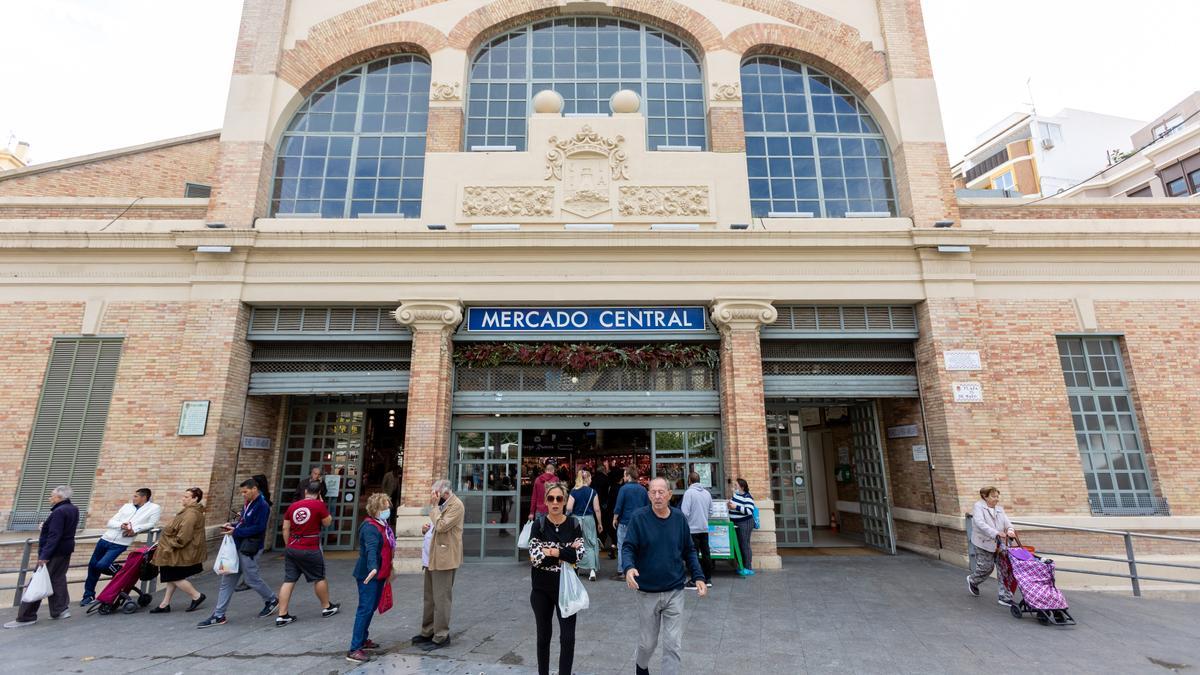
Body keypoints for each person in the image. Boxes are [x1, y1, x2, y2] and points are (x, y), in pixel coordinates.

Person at [621, 478, 707, 675]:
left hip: (674, 590)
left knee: (673, 644)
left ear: (669, 494)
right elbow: (628, 547)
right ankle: (641, 668)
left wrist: (699, 576)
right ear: (648, 495)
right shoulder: (639, 518)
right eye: (653, 492)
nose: (657, 496)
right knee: (647, 643)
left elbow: (689, 550)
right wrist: (629, 568)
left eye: (661, 492)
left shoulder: (679, 519)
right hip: (646, 591)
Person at [197, 478, 278, 628]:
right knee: (227, 579)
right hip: (239, 545)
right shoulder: (249, 503)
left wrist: (236, 531)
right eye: (242, 492)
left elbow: (259, 528)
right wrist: (233, 525)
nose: (243, 494)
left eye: (245, 491)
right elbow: (245, 522)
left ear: (254, 489)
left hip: (250, 548)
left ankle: (272, 599)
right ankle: (219, 614)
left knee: (251, 578)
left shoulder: (262, 505)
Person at [528, 482, 585, 675]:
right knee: (543, 637)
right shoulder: (539, 525)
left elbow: (579, 555)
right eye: (551, 498)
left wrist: (552, 551)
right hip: (541, 590)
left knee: (568, 638)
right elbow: (536, 557)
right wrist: (565, 552)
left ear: (565, 501)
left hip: (567, 590)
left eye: (559, 498)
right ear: (545, 501)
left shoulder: (574, 524)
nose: (555, 502)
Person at [5, 486, 80, 628]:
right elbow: (63, 529)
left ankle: (26, 616)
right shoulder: (73, 509)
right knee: (57, 578)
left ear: (59, 497)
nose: (49, 498)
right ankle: (60, 610)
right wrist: (46, 526)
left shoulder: (59, 511)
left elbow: (54, 535)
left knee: (37, 581)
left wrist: (45, 555)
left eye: (52, 495)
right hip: (65, 549)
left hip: (54, 552)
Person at [80, 487, 162, 606]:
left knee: (102, 565)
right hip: (105, 539)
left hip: (120, 543)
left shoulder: (154, 508)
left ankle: (120, 571)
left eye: (136, 496)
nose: (133, 498)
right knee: (93, 566)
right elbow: (110, 522)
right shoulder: (127, 506)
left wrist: (135, 530)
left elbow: (151, 524)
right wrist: (121, 525)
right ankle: (88, 596)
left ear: (144, 497)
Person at [276, 481, 339, 626]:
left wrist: (288, 545)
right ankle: (326, 606)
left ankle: (282, 614)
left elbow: (285, 528)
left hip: (293, 546)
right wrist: (322, 504)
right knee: (319, 577)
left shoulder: (293, 506)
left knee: (289, 580)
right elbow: (327, 522)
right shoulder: (318, 505)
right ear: (319, 493)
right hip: (310, 547)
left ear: (305, 492)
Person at [414, 479, 463, 650]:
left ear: (445, 493)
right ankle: (427, 631)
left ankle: (441, 635)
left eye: (435, 493)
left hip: (444, 558)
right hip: (431, 557)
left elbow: (442, 526)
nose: (433, 496)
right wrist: (426, 530)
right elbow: (436, 527)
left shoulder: (456, 505)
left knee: (441, 599)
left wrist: (434, 507)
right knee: (429, 597)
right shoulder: (442, 505)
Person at [346, 492, 395, 664]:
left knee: (371, 607)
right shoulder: (370, 528)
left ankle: (363, 639)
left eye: (388, 506)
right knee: (365, 608)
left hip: (379, 574)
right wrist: (373, 568)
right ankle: (354, 649)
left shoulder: (382, 524)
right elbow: (371, 549)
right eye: (385, 507)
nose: (388, 509)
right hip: (368, 575)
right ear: (376, 509)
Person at [151, 487, 208, 613]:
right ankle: (165, 604)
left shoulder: (191, 514)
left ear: (195, 499)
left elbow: (184, 536)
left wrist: (169, 544)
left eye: (186, 497)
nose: (183, 499)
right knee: (172, 577)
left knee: (174, 576)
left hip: (178, 551)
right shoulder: (189, 512)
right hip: (179, 551)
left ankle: (196, 596)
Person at [968, 486, 1017, 606]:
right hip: (983, 542)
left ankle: (1004, 597)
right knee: (986, 568)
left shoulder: (999, 509)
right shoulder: (978, 507)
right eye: (993, 496)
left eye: (997, 496)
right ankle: (973, 580)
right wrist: (995, 533)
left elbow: (1008, 523)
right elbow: (979, 523)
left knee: (1004, 568)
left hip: (1000, 545)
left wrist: (1010, 530)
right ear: (985, 497)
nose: (997, 499)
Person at [611, 466, 649, 580]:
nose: (623, 477)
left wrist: (614, 518)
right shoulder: (643, 489)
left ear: (628, 476)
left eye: (624, 475)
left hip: (625, 521)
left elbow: (619, 506)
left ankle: (622, 571)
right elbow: (647, 507)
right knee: (637, 546)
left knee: (622, 546)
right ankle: (636, 569)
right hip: (639, 523)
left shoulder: (623, 489)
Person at [566, 470, 603, 581]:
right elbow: (597, 509)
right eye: (590, 478)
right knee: (590, 544)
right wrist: (600, 523)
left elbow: (569, 508)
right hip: (589, 520)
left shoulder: (574, 491)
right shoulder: (593, 492)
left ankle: (576, 567)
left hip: (575, 520)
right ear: (587, 479)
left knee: (576, 543)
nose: (591, 480)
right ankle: (592, 571)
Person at [679, 472, 714, 587]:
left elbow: (684, 512)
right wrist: (704, 519)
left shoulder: (689, 493)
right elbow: (711, 511)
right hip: (704, 528)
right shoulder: (707, 493)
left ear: (689, 480)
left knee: (692, 555)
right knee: (706, 554)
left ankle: (696, 579)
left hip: (692, 529)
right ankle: (708, 579)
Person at [727, 478, 756, 576]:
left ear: (742, 487)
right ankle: (741, 566)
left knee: (744, 544)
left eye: (736, 485)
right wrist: (729, 505)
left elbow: (749, 511)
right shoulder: (736, 495)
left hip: (745, 523)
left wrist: (736, 507)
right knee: (737, 545)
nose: (734, 487)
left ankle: (748, 567)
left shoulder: (747, 497)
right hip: (735, 523)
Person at [591, 461, 611, 550]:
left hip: (593, 502)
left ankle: (596, 540)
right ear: (603, 470)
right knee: (603, 522)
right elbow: (608, 492)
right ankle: (602, 539)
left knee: (595, 522)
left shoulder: (593, 479)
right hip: (603, 503)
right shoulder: (606, 479)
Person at [606, 463, 624, 559]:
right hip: (618, 513)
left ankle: (613, 548)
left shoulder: (612, 487)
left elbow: (609, 501)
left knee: (614, 533)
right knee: (618, 532)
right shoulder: (622, 489)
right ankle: (614, 548)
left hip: (611, 512)